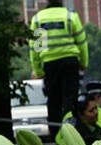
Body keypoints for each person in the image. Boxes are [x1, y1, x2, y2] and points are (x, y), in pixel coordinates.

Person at [29, 0, 88, 134]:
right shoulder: (70, 16)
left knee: (53, 100)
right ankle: (71, 131)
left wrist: (38, 70)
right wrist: (83, 63)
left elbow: (35, 48)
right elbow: (82, 42)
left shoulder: (38, 19)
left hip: (50, 64)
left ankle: (55, 134)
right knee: (70, 98)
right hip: (70, 62)